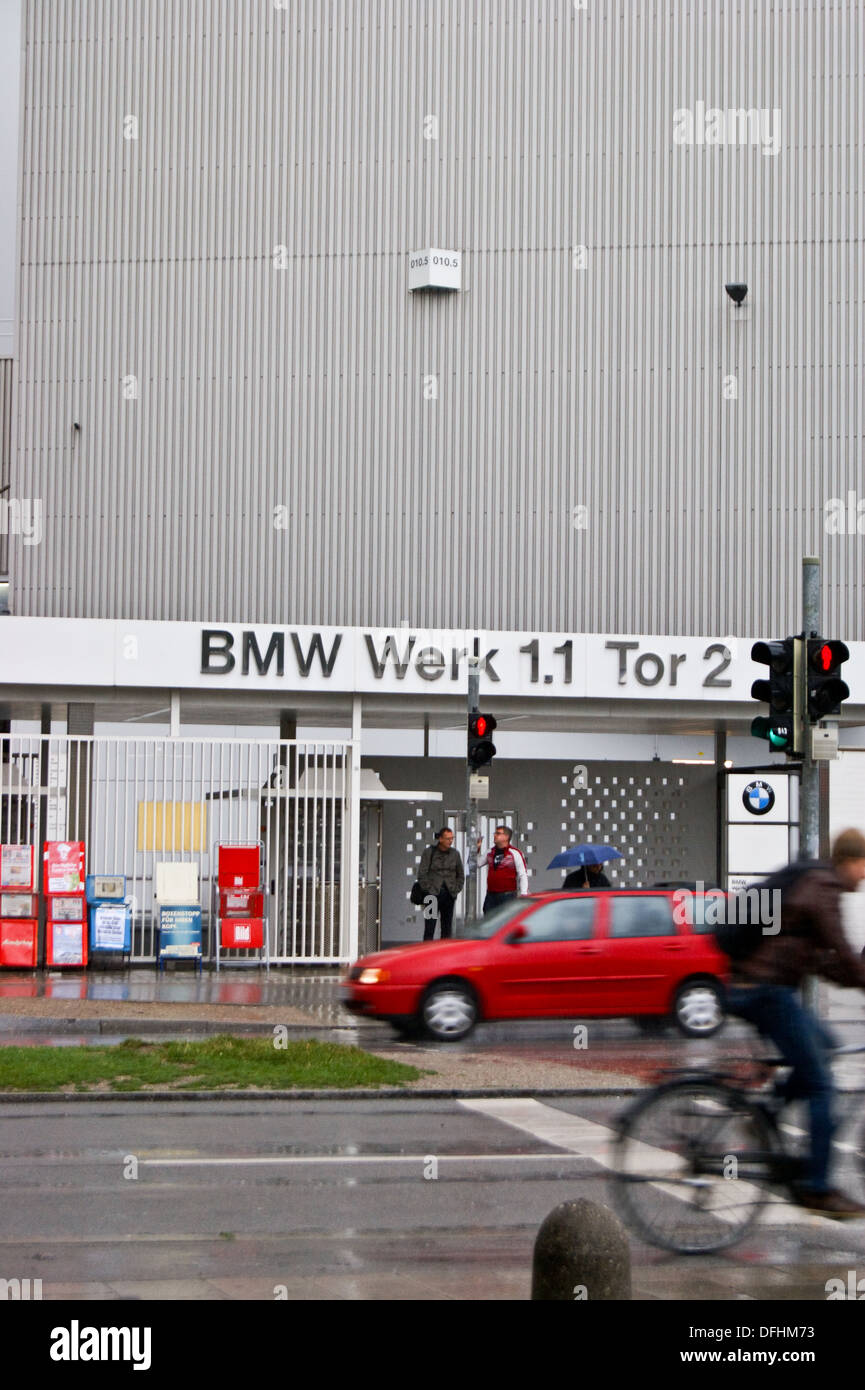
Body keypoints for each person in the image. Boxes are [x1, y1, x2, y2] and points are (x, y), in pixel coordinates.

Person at [725, 828, 865, 1218]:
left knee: (827, 1046)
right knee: (822, 1085)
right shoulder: (824, 887)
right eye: (864, 866)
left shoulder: (815, 882)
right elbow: (842, 950)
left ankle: (768, 1113)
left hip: (757, 985)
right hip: (765, 991)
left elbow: (826, 960)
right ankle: (818, 1187)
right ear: (852, 862)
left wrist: (851, 976)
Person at [417, 827, 465, 940]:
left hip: (449, 894)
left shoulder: (455, 854)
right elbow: (422, 873)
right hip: (431, 895)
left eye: (452, 838)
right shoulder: (429, 852)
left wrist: (456, 888)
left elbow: (460, 874)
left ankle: (444, 953)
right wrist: (428, 889)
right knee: (429, 926)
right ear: (441, 839)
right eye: (448, 839)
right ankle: (427, 953)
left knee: (446, 927)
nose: (450, 841)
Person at [476, 825, 528, 915]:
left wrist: (524, 893)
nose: (495, 835)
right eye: (495, 833)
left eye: (498, 833)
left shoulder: (515, 853)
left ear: (506, 837)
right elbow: (477, 864)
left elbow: (522, 874)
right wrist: (477, 849)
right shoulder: (490, 852)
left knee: (506, 921)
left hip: (508, 895)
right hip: (491, 894)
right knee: (489, 921)